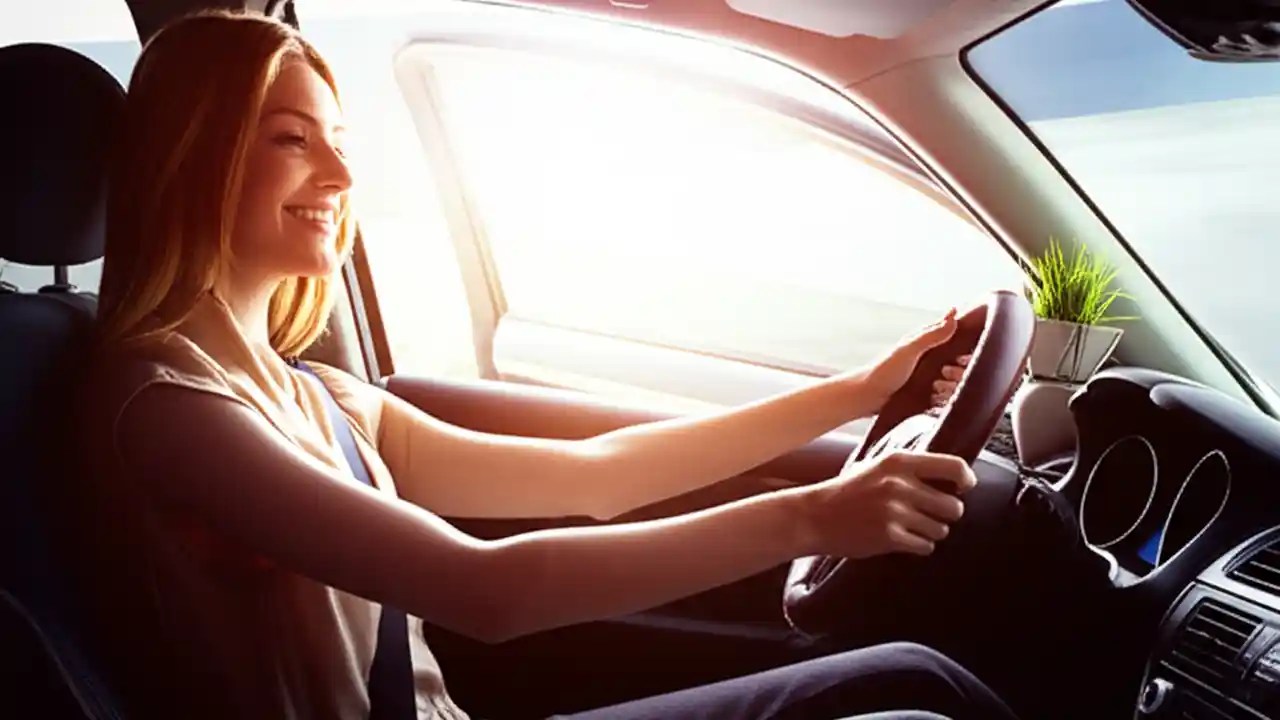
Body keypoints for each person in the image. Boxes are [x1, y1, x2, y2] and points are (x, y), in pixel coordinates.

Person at [75, 9, 1017, 720]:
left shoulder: (319, 397)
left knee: (910, 682)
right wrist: (812, 516)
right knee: (910, 689)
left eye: (341, 141)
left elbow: (598, 476)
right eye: (293, 138)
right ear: (195, 155)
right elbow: (486, 591)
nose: (342, 175)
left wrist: (856, 392)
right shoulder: (168, 408)